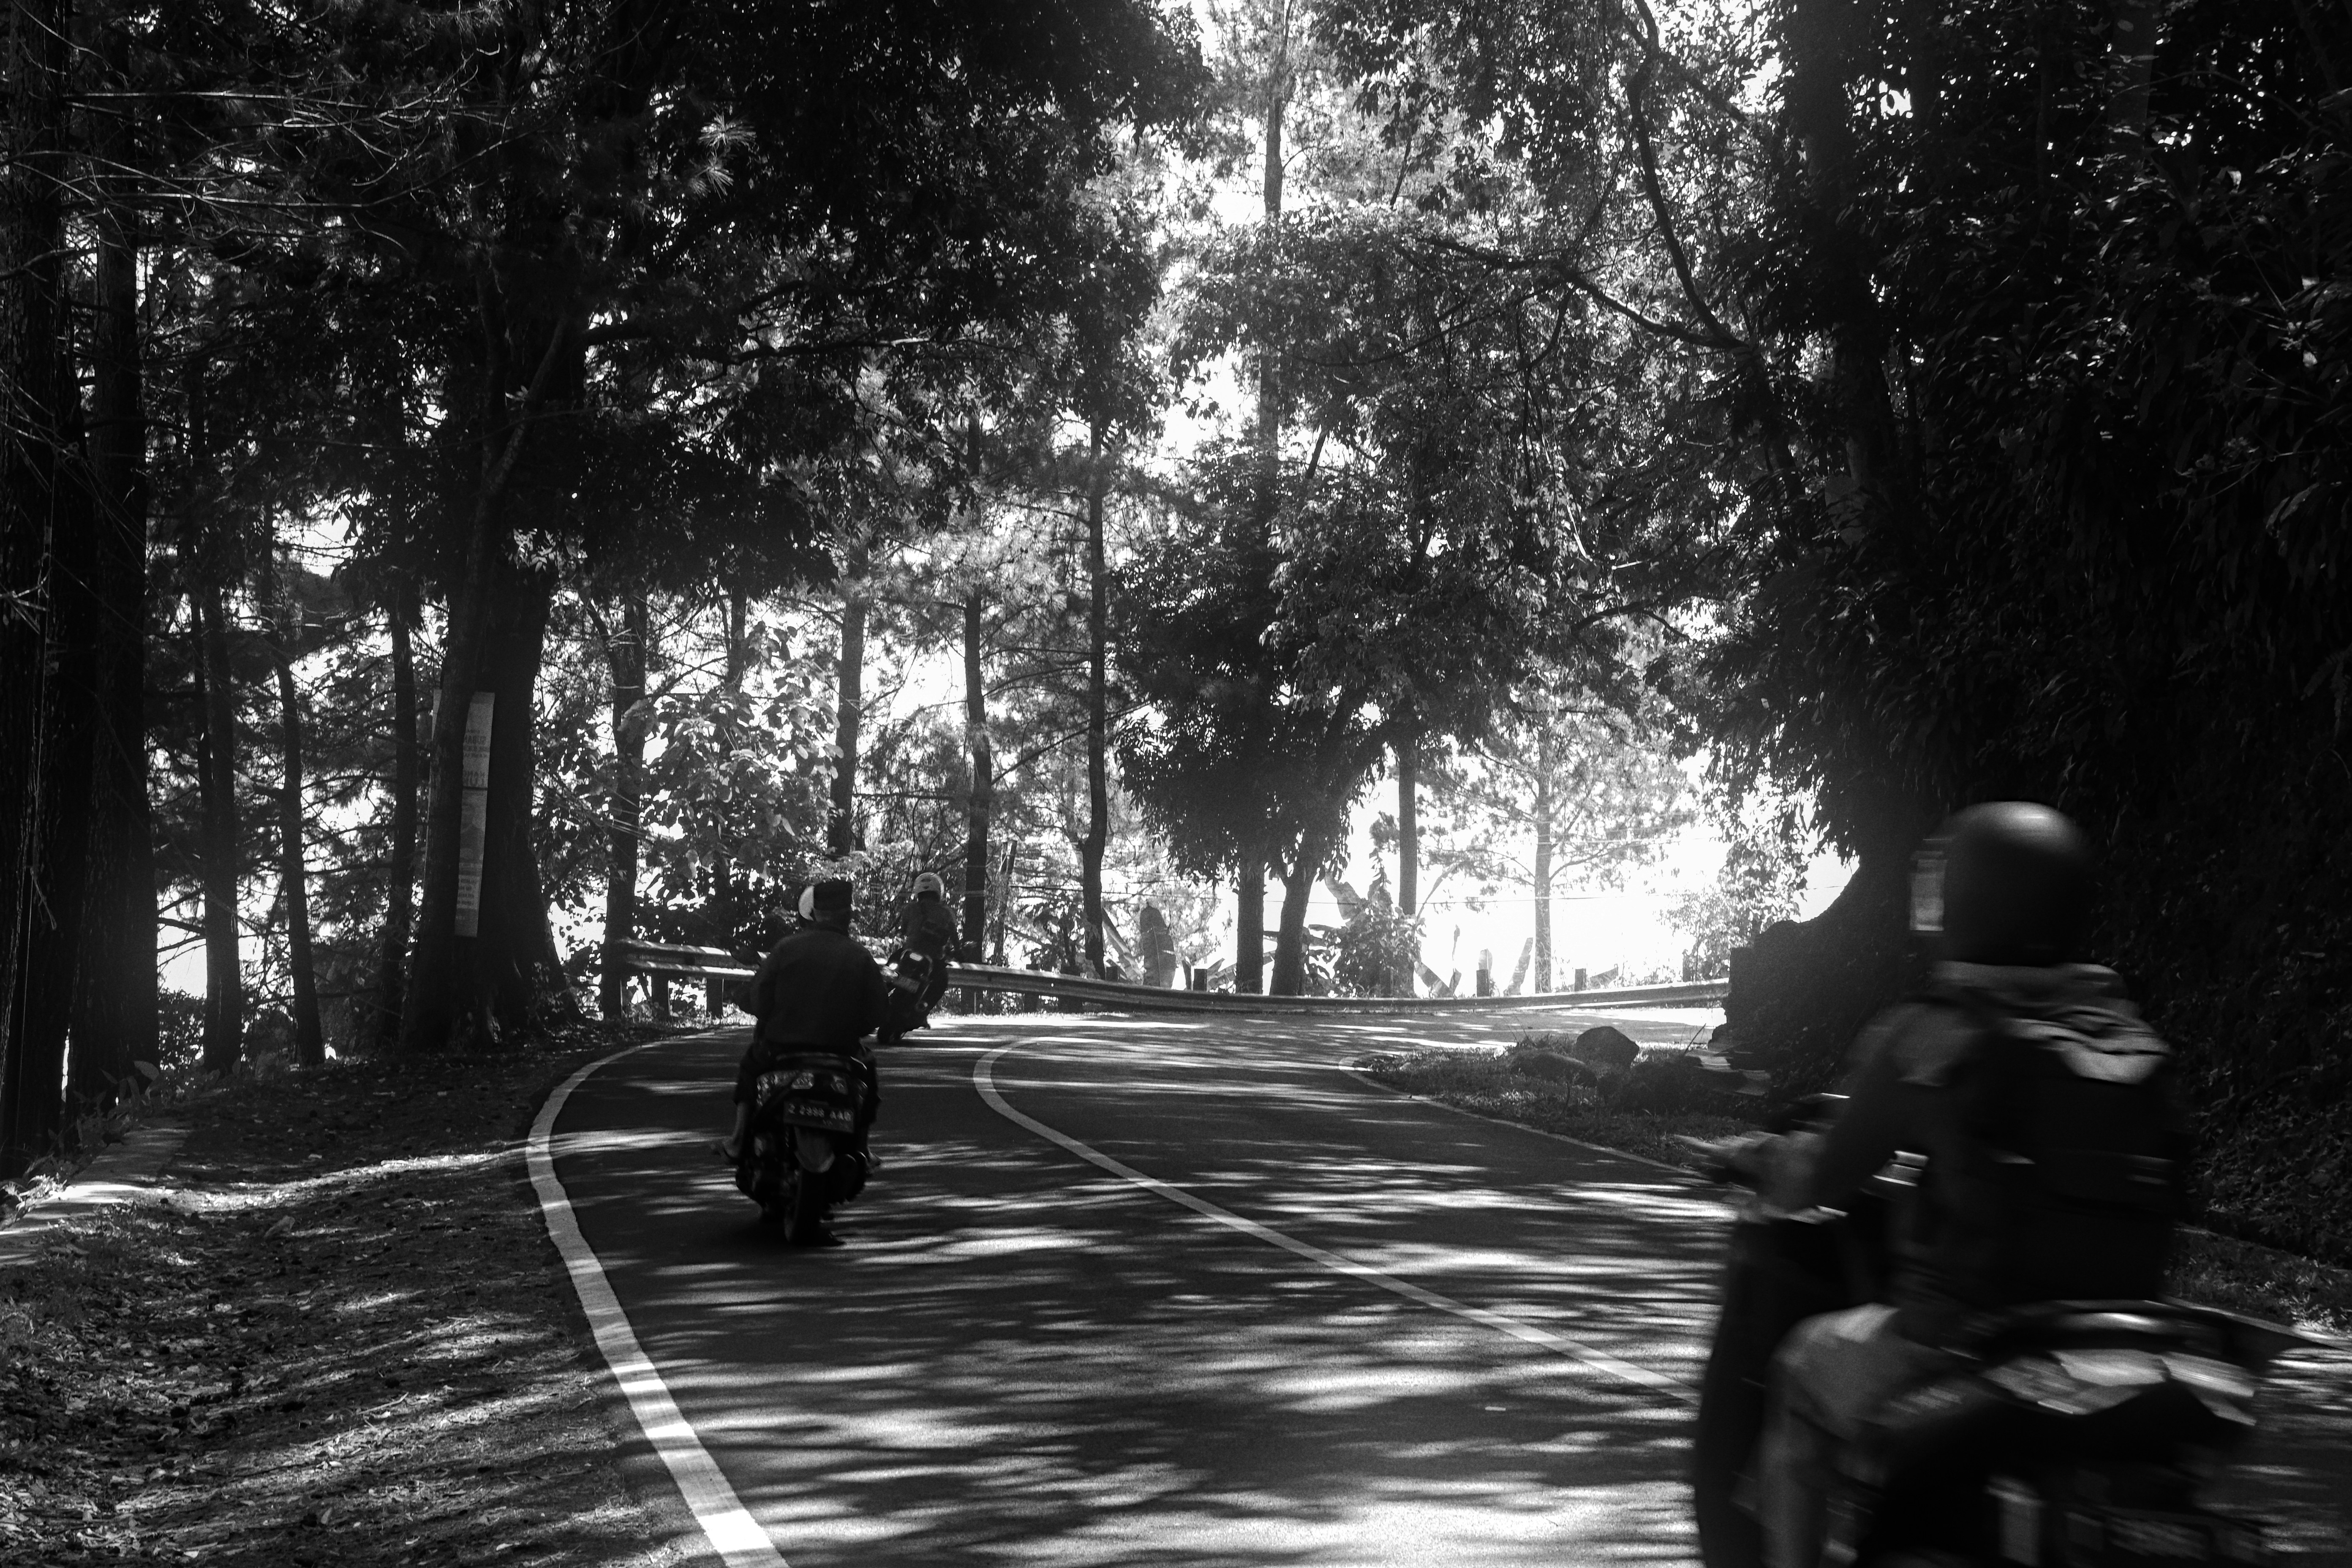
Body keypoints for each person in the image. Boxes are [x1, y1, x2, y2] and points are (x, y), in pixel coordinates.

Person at [1745, 802, 2186, 1568]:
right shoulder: (2128, 1030)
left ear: (1955, 902)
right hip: (2121, 1345)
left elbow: (1823, 1176)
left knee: (1797, 1371)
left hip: (1960, 1340)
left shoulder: (1935, 1028)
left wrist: (1767, 1163)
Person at [718, 878, 886, 1165]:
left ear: (814, 913)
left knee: (750, 1068)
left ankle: (737, 1140)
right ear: (849, 915)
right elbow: (878, 1013)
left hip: (782, 1050)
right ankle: (863, 1148)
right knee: (867, 1076)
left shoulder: (786, 949)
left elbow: (759, 998)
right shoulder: (861, 957)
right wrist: (850, 1030)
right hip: (843, 1053)